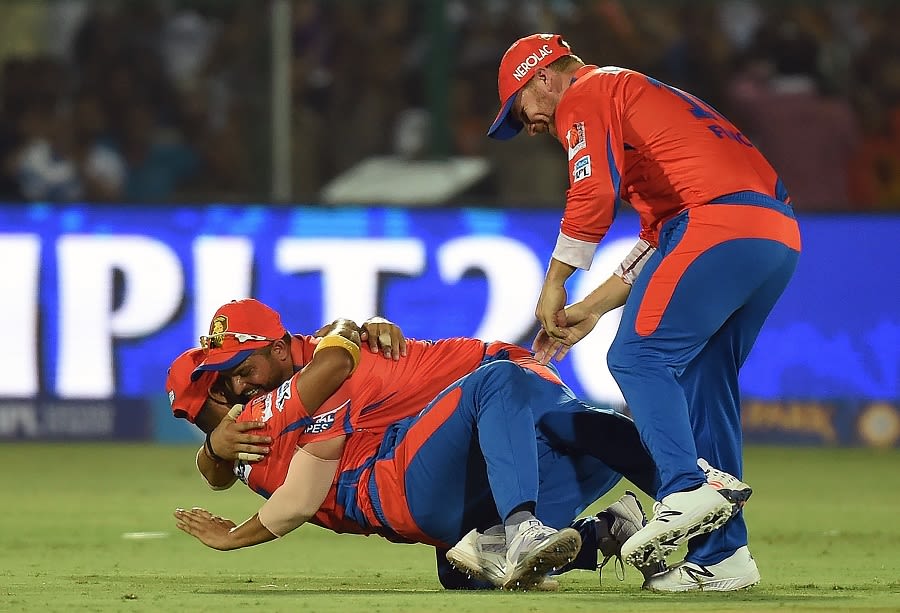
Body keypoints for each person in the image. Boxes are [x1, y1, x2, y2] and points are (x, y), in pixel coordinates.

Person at [486, 34, 801, 591]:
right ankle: (725, 557)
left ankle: (684, 487)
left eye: (522, 106)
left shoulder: (587, 91)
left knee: (636, 357)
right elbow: (657, 239)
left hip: (716, 223)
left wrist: (556, 282)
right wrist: (589, 307)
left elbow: (592, 195)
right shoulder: (634, 103)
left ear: (544, 77)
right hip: (772, 235)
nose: (529, 122)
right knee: (707, 386)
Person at [168, 299, 748, 590]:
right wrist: (214, 451)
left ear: (273, 347)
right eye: (225, 385)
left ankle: (681, 486)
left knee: (530, 406)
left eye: (239, 371)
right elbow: (229, 467)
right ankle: (623, 525)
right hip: (472, 452)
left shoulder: (320, 373)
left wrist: (233, 531)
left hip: (496, 379)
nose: (238, 387)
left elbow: (296, 478)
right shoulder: (285, 396)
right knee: (462, 566)